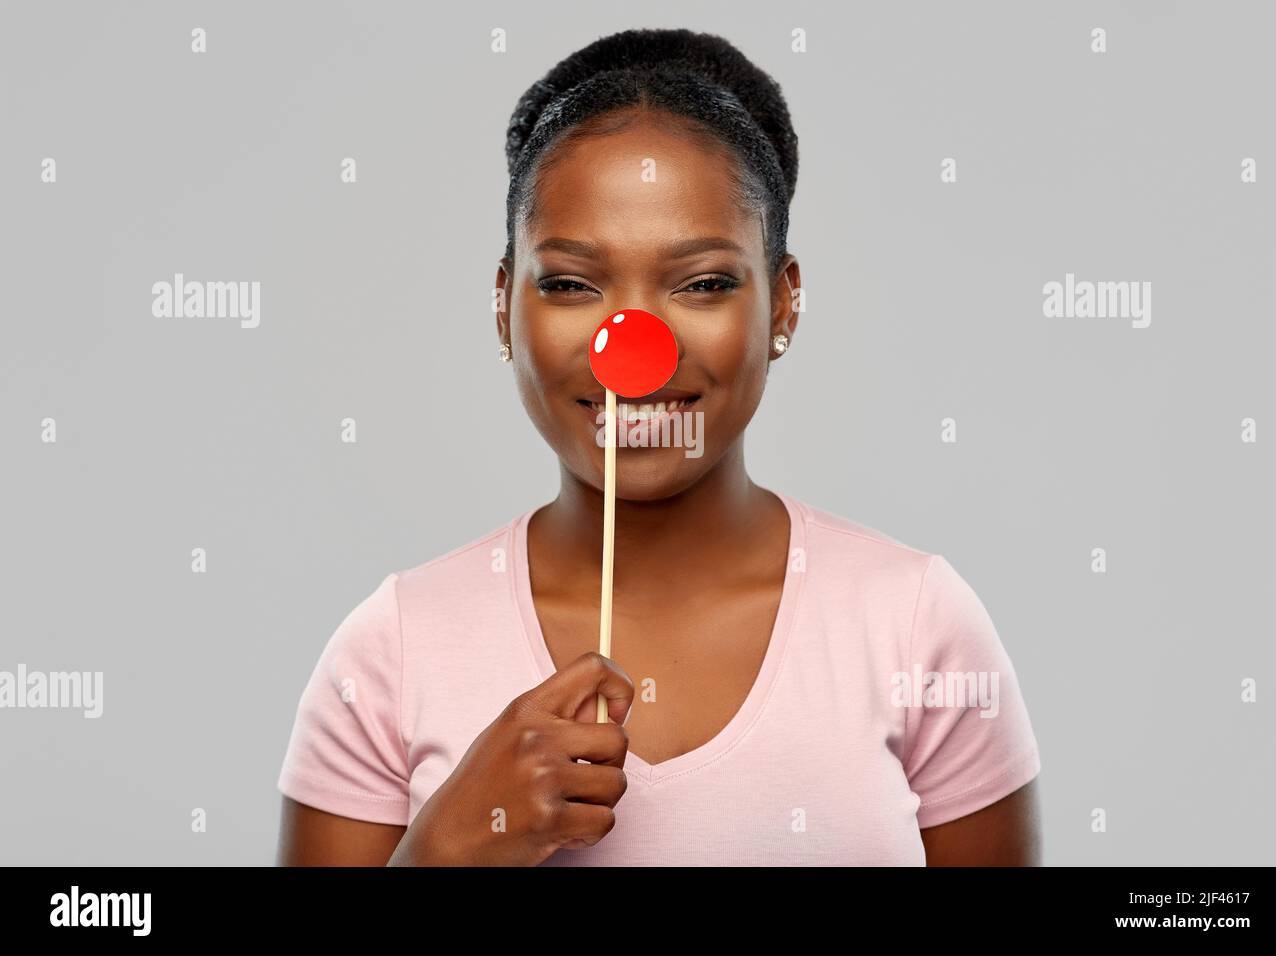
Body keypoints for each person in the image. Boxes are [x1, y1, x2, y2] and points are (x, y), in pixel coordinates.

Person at [275, 27, 1042, 866]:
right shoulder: (391, 650)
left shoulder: (917, 627)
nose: (631, 349)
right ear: (504, 307)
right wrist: (446, 851)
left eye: (704, 283)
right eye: (570, 284)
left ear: (784, 304)